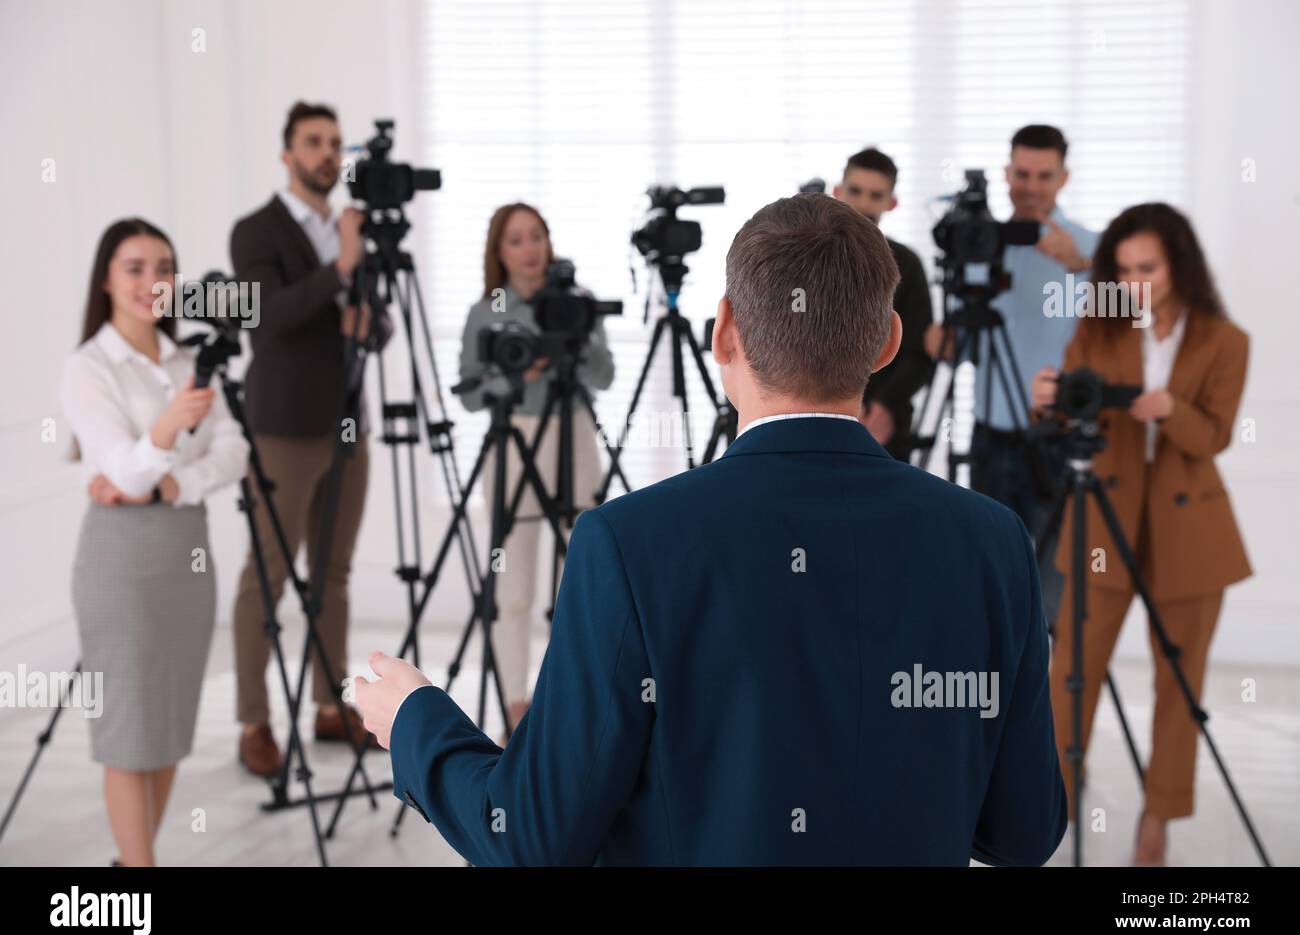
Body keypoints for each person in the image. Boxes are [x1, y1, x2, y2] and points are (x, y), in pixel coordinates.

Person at [354, 193, 1067, 866]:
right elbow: (1025, 831)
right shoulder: (992, 541)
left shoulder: (626, 543)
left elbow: (534, 836)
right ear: (888, 341)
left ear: (723, 330)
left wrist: (418, 723)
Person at [1030, 203, 1251, 866]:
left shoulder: (1224, 339)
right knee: (1070, 671)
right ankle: (1052, 804)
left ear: (1179, 263)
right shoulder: (1096, 329)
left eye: (1147, 268)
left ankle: (1158, 818)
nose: (1134, 282)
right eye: (1122, 270)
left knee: (1178, 685)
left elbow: (1212, 435)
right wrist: (1050, 399)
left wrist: (1171, 410)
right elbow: (1073, 421)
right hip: (1101, 521)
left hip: (1192, 533)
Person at [59, 218, 249, 866]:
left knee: (167, 726)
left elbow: (234, 451)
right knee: (127, 733)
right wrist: (166, 431)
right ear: (106, 278)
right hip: (120, 564)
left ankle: (129, 868)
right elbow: (120, 472)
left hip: (184, 560)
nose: (151, 282)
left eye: (163, 267)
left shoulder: (188, 358)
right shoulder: (88, 368)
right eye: (134, 267)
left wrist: (172, 486)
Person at [229, 101, 391, 777]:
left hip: (349, 425)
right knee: (267, 574)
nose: (327, 153)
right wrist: (341, 265)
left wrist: (363, 318)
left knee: (334, 571)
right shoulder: (256, 230)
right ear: (287, 153)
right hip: (283, 429)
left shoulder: (349, 227)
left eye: (334, 143)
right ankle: (255, 720)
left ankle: (329, 705)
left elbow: (379, 327)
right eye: (313, 142)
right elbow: (264, 319)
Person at [455, 202, 615, 740]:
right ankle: (515, 708)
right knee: (513, 584)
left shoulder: (576, 302)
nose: (529, 249)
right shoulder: (487, 309)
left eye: (537, 237)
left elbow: (605, 375)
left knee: (587, 573)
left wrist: (577, 340)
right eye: (516, 240)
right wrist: (520, 374)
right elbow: (472, 394)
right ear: (498, 252)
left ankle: (577, 703)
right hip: (514, 436)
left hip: (575, 433)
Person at [927, 125, 1098, 540]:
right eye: (1022, 175)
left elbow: (1132, 319)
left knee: (1053, 584)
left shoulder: (1092, 247)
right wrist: (946, 342)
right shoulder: (978, 245)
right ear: (1006, 174)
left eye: (1044, 176)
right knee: (990, 568)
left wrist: (1079, 266)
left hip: (1057, 438)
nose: (1032, 188)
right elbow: (964, 347)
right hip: (988, 438)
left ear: (1064, 178)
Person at [832, 147, 934, 458]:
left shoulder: (908, 264)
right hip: (815, 416)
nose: (863, 204)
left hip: (886, 427)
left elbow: (921, 349)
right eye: (856, 191)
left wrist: (885, 405)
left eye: (875, 195)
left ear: (892, 202)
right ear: (837, 192)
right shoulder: (806, 261)